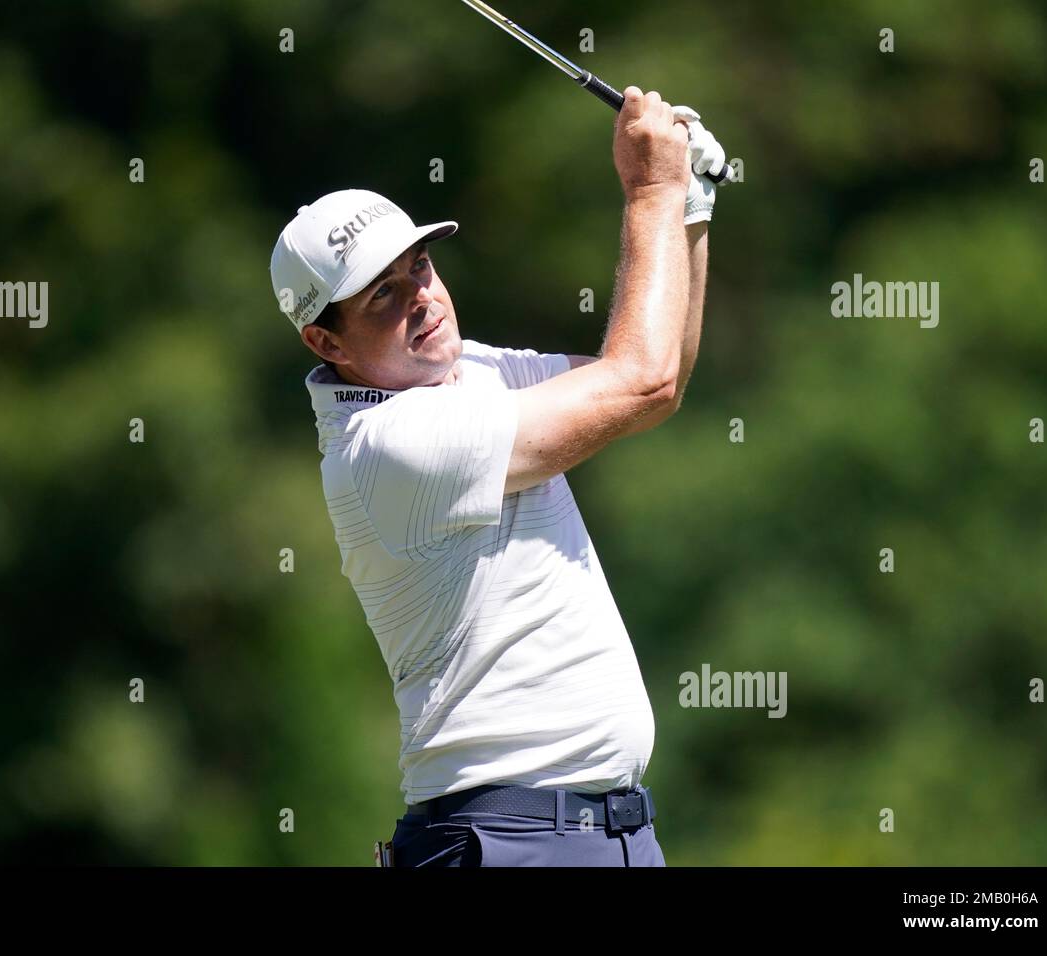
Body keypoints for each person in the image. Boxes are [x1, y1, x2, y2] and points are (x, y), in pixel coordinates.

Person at [268, 87, 727, 866]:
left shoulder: (471, 372)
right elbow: (638, 379)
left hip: (605, 835)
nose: (424, 297)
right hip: (512, 841)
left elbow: (659, 383)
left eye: (420, 265)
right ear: (327, 343)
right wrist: (652, 189)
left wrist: (690, 210)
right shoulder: (388, 446)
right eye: (385, 293)